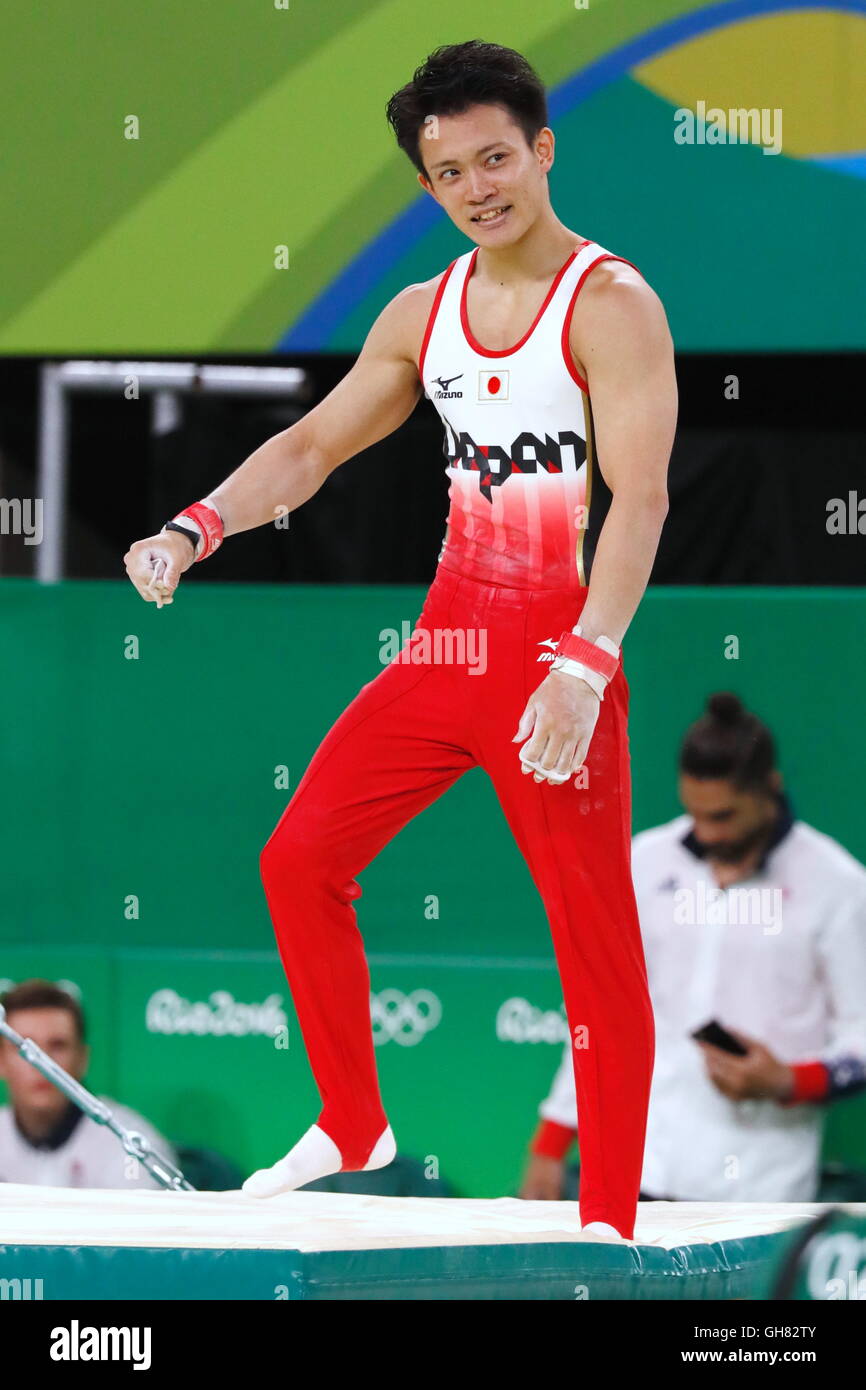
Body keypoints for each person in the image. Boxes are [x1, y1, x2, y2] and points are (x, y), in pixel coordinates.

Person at [124, 40, 677, 1240]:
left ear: (542, 148)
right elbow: (312, 449)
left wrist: (586, 665)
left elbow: (641, 500)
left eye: (495, 157)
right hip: (441, 659)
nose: (478, 187)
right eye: (448, 172)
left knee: (594, 952)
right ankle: (353, 1122)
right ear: (427, 187)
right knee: (297, 859)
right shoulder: (418, 314)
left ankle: (605, 1224)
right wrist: (195, 524)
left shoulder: (612, 304)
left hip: (552, 671)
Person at [521, 693, 866, 1204]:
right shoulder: (645, 861)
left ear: (769, 789)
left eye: (723, 817)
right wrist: (552, 1143)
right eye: (694, 814)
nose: (704, 833)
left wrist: (789, 1081)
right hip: (639, 1174)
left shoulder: (838, 886)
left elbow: (861, 1037)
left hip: (760, 1191)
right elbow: (604, 1013)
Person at [0, 980, 177, 1190]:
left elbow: (142, 1220)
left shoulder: (130, 1144)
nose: (42, 1063)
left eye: (57, 1045)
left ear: (82, 1058)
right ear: (1, 1060)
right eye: (24, 1049)